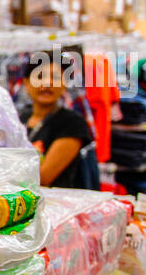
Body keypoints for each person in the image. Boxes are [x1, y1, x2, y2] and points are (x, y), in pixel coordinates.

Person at [23, 57, 96, 189]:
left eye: (55, 78)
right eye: (39, 76)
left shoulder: (72, 123)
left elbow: (43, 177)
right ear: (26, 84)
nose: (47, 83)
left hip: (55, 205)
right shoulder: (19, 117)